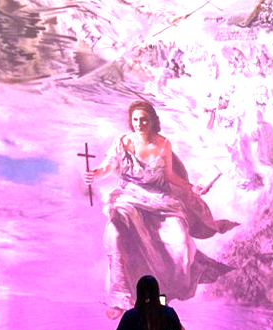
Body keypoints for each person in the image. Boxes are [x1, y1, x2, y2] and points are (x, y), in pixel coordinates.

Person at [84, 100, 236, 318]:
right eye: (135, 120)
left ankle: (163, 295)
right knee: (116, 231)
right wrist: (95, 174)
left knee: (180, 240)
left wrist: (192, 187)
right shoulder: (123, 142)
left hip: (161, 200)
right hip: (129, 197)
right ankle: (120, 298)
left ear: (153, 121)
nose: (139, 124)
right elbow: (108, 166)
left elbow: (170, 176)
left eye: (144, 119)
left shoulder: (164, 144)